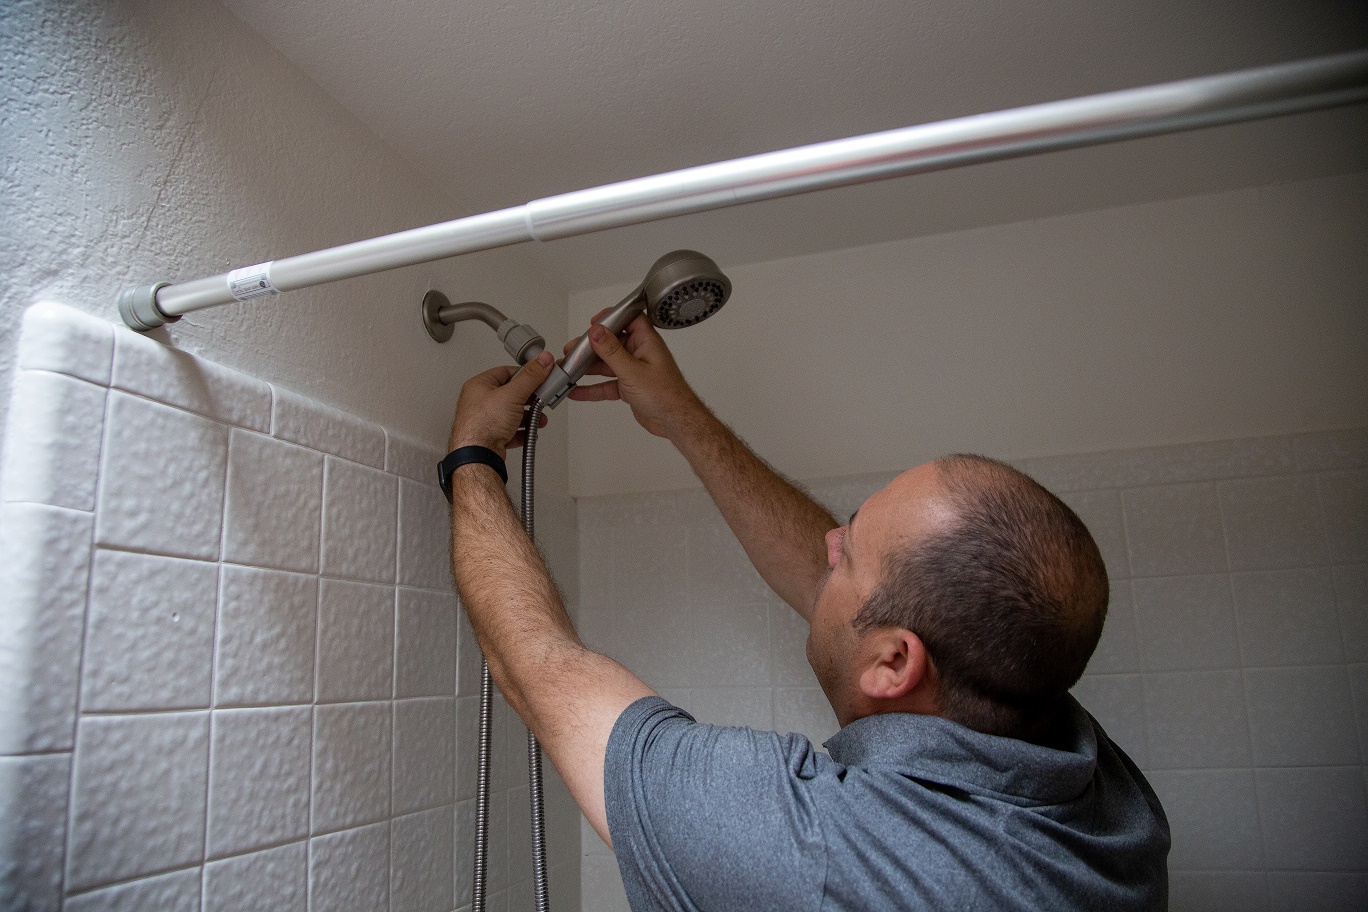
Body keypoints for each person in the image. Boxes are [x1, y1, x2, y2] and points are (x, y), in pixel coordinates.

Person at [446, 314, 1170, 911]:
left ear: (895, 662)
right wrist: (682, 417)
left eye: (847, 549)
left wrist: (471, 456)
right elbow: (849, 605)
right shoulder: (1087, 776)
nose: (827, 540)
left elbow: (538, 667)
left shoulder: (819, 855)